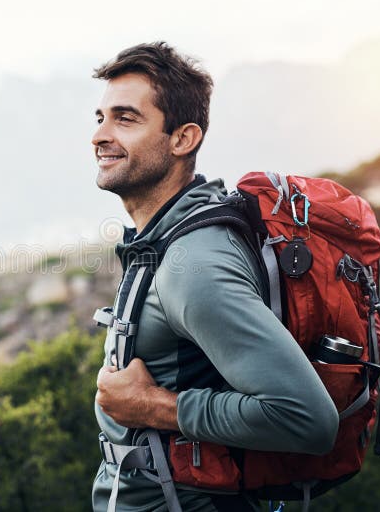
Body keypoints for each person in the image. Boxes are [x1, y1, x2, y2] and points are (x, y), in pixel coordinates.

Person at [90, 42, 339, 511]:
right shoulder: (164, 238)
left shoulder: (196, 265)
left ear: (183, 139)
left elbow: (308, 419)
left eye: (125, 119)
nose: (99, 136)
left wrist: (154, 406)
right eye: (100, 117)